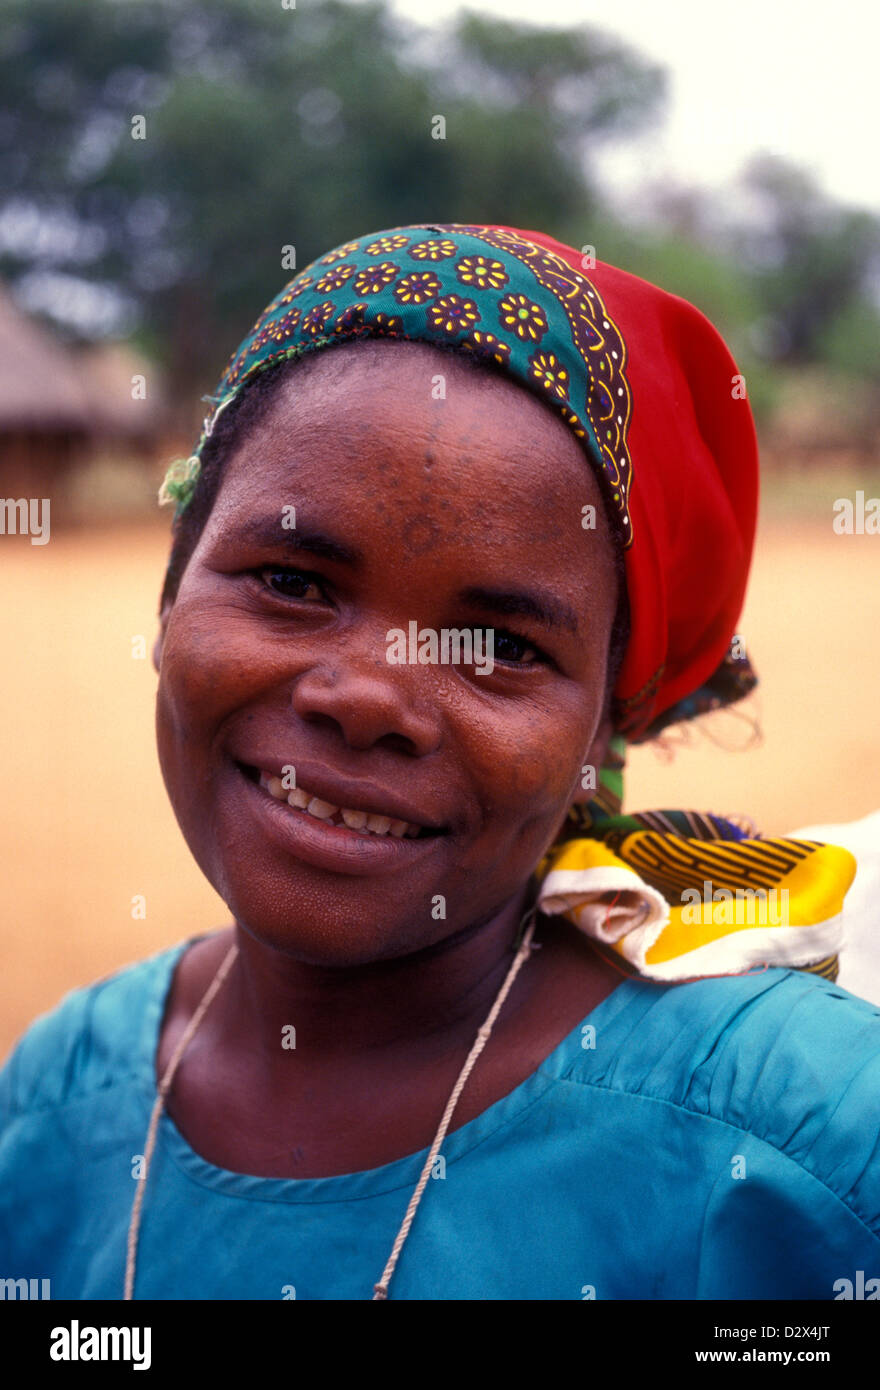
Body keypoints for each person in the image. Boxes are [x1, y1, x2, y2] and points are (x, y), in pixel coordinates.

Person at [1, 223, 878, 1301]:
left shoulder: (799, 1148)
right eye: (290, 581)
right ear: (172, 587)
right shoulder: (52, 1104)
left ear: (605, 724)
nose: (369, 696)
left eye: (502, 648)